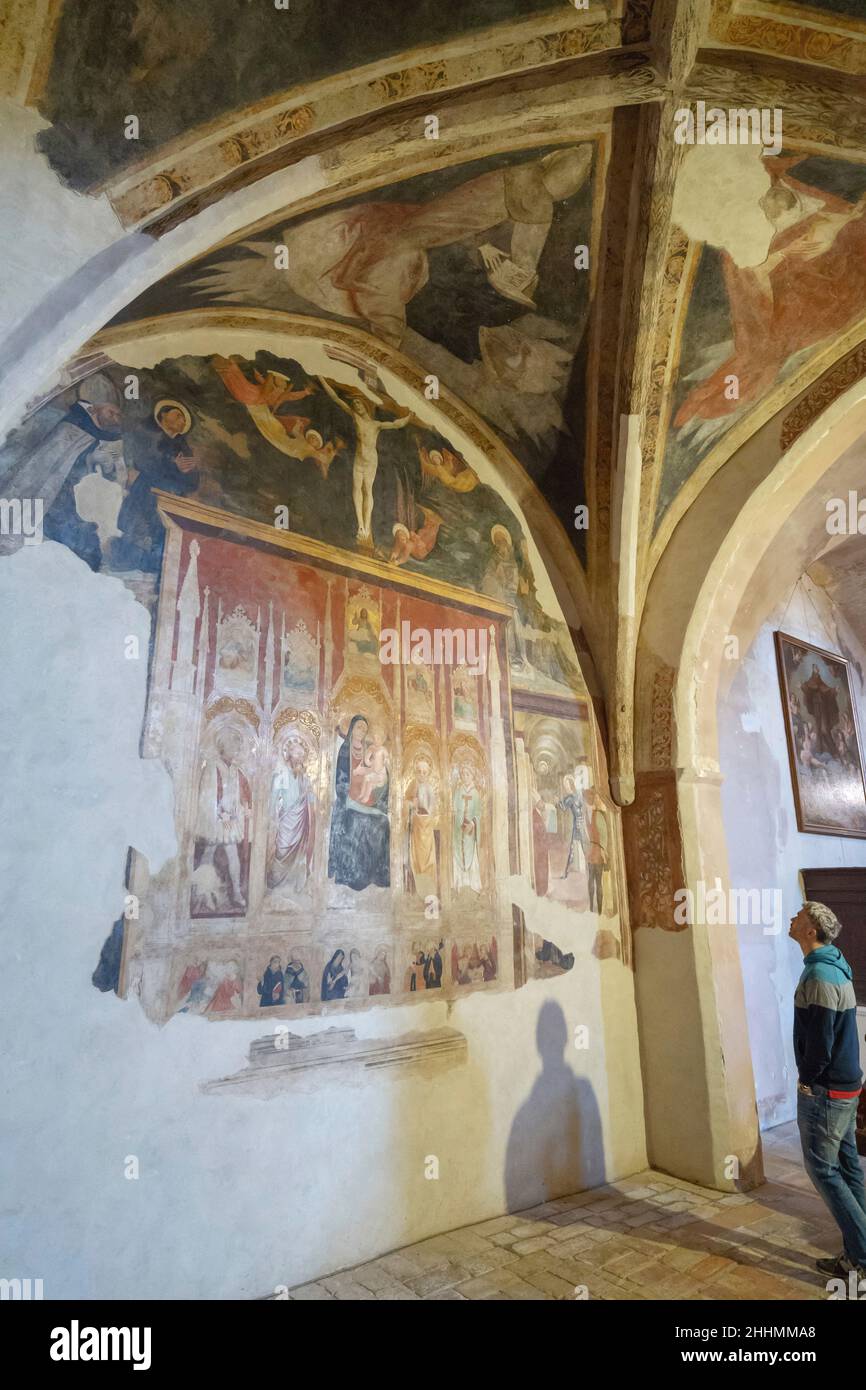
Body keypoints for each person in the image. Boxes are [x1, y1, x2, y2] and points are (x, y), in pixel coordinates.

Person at [789, 901, 866, 1282]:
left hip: (828, 1089)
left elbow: (820, 1043)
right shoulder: (836, 965)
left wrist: (807, 1079)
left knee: (824, 1169)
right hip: (848, 1085)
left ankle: (863, 1259)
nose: (792, 918)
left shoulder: (819, 973)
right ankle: (859, 1251)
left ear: (810, 930)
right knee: (850, 1167)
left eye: (798, 917)